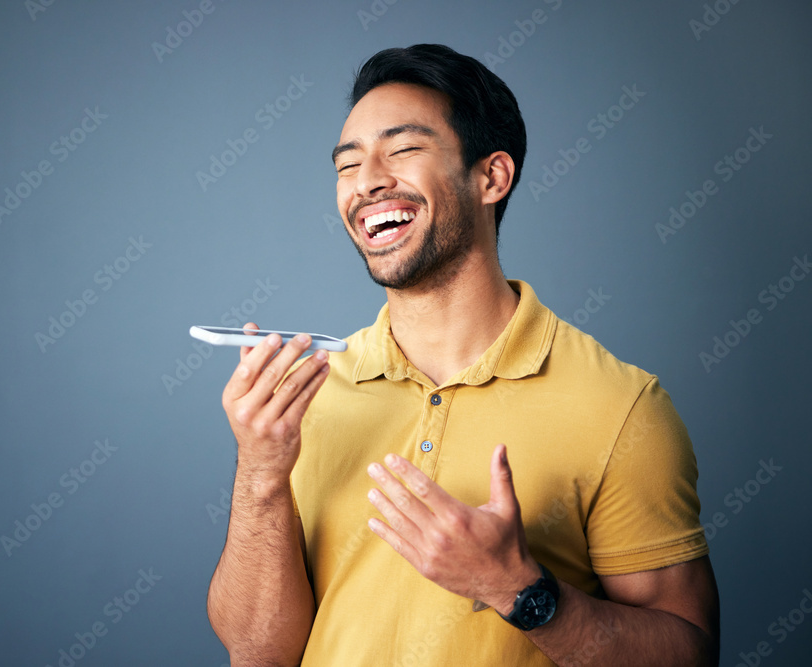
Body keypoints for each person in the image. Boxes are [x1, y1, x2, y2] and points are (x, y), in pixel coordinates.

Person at [206, 43, 719, 666]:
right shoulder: (305, 395)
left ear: (491, 177)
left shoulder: (622, 406)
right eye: (348, 164)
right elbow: (258, 651)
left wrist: (518, 590)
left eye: (402, 150)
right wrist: (261, 474)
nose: (367, 181)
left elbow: (688, 653)